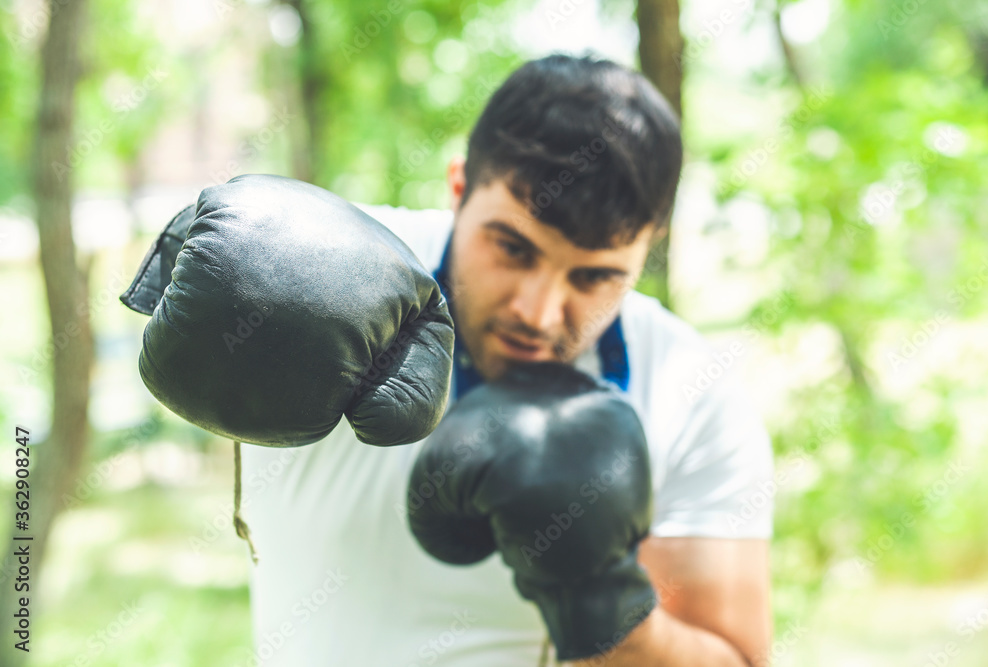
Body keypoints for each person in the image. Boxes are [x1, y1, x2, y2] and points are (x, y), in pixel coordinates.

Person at [231, 53, 773, 666]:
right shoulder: (330, 276)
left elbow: (738, 657)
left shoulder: (689, 395)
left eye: (595, 276)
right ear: (459, 188)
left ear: (649, 249)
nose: (539, 313)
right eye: (514, 248)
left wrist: (600, 605)